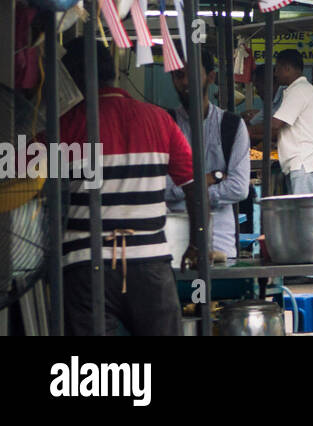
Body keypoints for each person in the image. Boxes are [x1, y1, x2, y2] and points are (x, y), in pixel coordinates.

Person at [59, 38, 203, 336]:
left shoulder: (66, 125)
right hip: (150, 266)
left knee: (97, 378)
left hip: (86, 267)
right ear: (112, 72)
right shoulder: (160, 120)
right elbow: (194, 186)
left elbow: (24, 175)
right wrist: (198, 243)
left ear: (74, 76)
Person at [165, 50, 251, 261]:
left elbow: (239, 188)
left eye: (191, 74)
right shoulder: (165, 124)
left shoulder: (232, 125)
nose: (185, 82)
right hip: (171, 237)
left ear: (211, 77)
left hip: (220, 241)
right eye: (178, 75)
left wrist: (189, 191)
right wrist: (212, 178)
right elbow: (161, 189)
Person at [270, 49, 313, 194]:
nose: (275, 73)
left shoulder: (300, 89)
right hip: (303, 164)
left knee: (304, 214)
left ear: (287, 68)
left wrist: (246, 131)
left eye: (277, 69)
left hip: (305, 164)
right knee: (302, 213)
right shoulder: (298, 89)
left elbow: (275, 124)